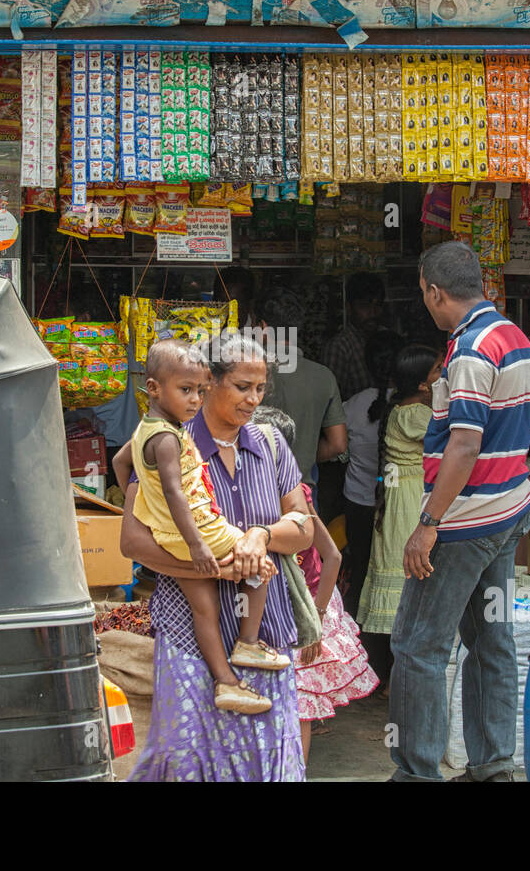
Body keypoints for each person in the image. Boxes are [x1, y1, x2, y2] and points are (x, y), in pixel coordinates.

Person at [118, 333, 315, 781]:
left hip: (262, 636)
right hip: (191, 632)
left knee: (264, 758)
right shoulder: (168, 442)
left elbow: (302, 527)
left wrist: (260, 537)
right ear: (210, 383)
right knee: (190, 755)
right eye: (242, 386)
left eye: (261, 389)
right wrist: (214, 568)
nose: (253, 399)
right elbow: (132, 542)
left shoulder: (270, 443)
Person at [389, 241, 530, 783]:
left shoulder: (472, 348)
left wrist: (427, 525)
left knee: (417, 647)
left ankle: (415, 771)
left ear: (434, 290)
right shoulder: (514, 337)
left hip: (465, 521)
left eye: (424, 294)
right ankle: (493, 767)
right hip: (507, 511)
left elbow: (465, 445)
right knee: (490, 642)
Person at [253, 405, 378, 762]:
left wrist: (317, 620)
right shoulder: (246, 495)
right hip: (276, 611)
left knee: (299, 703)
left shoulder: (299, 498)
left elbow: (333, 558)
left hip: (303, 610)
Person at [357, 344, 443, 685]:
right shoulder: (416, 415)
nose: (444, 375)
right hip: (409, 504)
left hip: (399, 501)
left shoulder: (401, 409)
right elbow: (457, 442)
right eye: (438, 370)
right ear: (423, 385)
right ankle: (402, 680)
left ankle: (395, 678)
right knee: (412, 580)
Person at [340, 329, 405, 619]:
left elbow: (340, 450)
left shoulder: (353, 405)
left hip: (358, 503)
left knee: (362, 571)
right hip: (397, 506)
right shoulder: (414, 406)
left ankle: (358, 639)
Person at [257, 288, 348, 487]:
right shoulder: (324, 376)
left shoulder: (244, 375)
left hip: (254, 491)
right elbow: (338, 444)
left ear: (263, 328)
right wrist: (303, 455)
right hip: (303, 490)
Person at [322, 272, 386, 399]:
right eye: (364, 306)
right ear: (349, 308)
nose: (372, 313)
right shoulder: (340, 347)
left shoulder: (387, 338)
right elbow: (331, 402)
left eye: (377, 305)